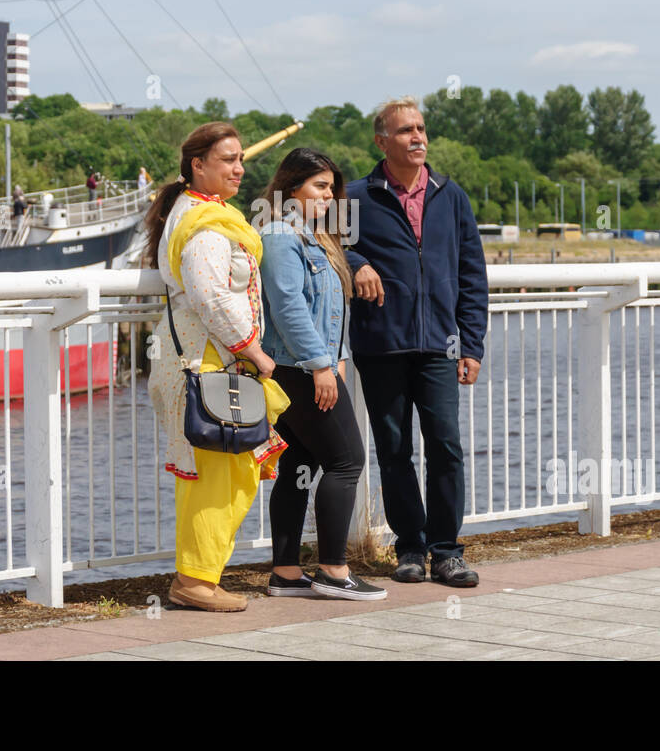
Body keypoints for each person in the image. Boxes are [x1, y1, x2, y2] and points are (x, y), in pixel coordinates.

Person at [144, 122, 289, 612]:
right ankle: (194, 583)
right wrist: (256, 352)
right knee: (217, 472)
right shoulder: (204, 225)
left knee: (230, 466)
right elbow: (210, 297)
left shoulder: (206, 214)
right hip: (207, 360)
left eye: (241, 158)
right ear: (197, 165)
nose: (239, 168)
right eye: (228, 159)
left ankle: (200, 576)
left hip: (206, 359)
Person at [345, 96, 488, 588]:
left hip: (440, 345)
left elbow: (472, 275)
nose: (418, 137)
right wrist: (356, 263)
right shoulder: (356, 197)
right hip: (381, 343)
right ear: (381, 140)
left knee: (446, 445)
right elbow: (320, 242)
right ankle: (409, 547)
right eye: (406, 130)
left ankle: (447, 551)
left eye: (421, 128)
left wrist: (472, 345)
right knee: (394, 447)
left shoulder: (452, 196)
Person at [258, 148, 385, 601]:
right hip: (297, 369)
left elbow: (332, 314)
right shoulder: (279, 236)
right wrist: (320, 366)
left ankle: (287, 574)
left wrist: (339, 362)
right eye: (319, 186)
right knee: (347, 460)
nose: (329, 196)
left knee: (300, 462)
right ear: (292, 188)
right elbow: (290, 309)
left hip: (313, 367)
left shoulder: (317, 239)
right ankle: (333, 569)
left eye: (332, 188)